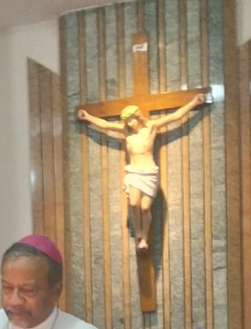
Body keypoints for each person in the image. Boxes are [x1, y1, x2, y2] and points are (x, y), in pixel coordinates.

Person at [77, 94, 206, 250]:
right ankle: (139, 234)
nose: (129, 124)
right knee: (133, 204)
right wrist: (88, 117)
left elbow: (175, 117)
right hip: (134, 173)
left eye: (131, 119)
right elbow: (104, 125)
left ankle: (145, 236)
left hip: (149, 173)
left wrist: (193, 102)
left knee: (145, 208)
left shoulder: (151, 127)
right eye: (127, 121)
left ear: (138, 116)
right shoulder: (126, 131)